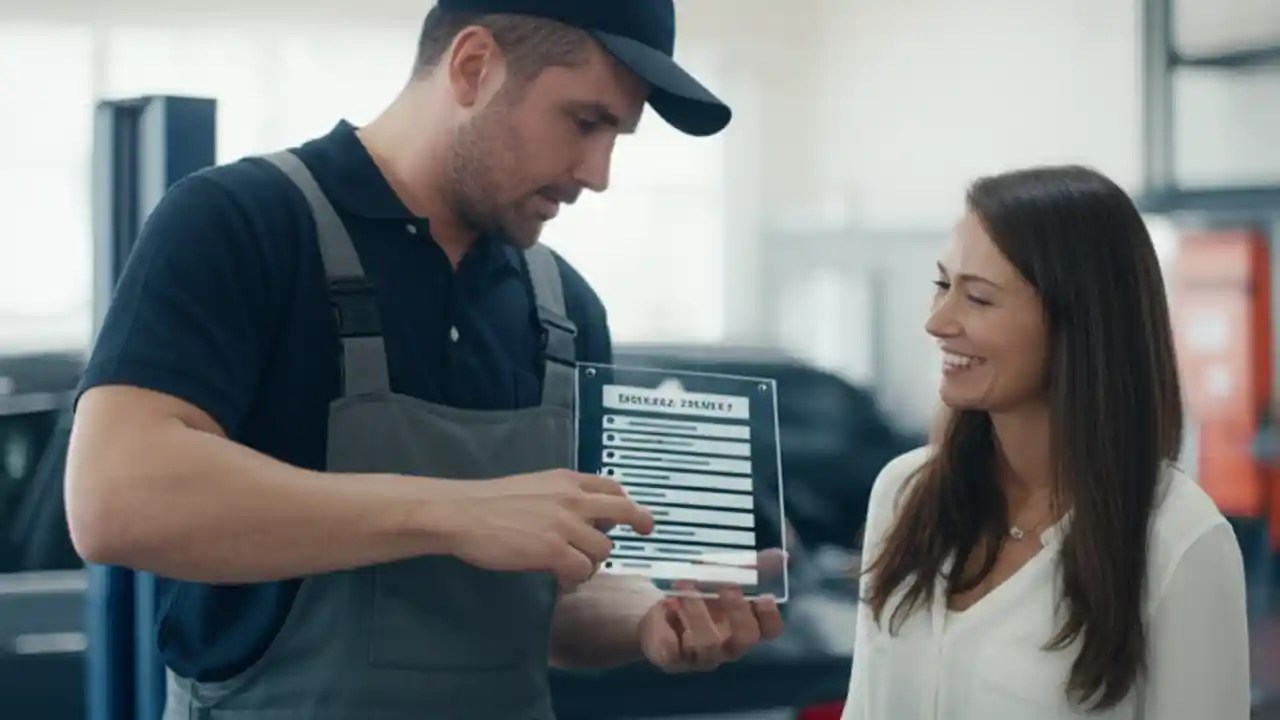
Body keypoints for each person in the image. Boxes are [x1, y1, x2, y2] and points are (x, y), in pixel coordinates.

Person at [64, 1, 783, 718]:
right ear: (474, 66)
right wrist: (456, 512)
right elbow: (115, 499)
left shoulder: (566, 308)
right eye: (585, 122)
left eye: (616, 138)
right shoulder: (240, 224)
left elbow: (559, 586)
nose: (597, 174)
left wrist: (649, 621)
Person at [841, 165, 1251, 719]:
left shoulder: (1178, 541)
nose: (937, 321)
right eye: (942, 285)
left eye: (979, 299)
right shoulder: (904, 493)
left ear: (1079, 324)